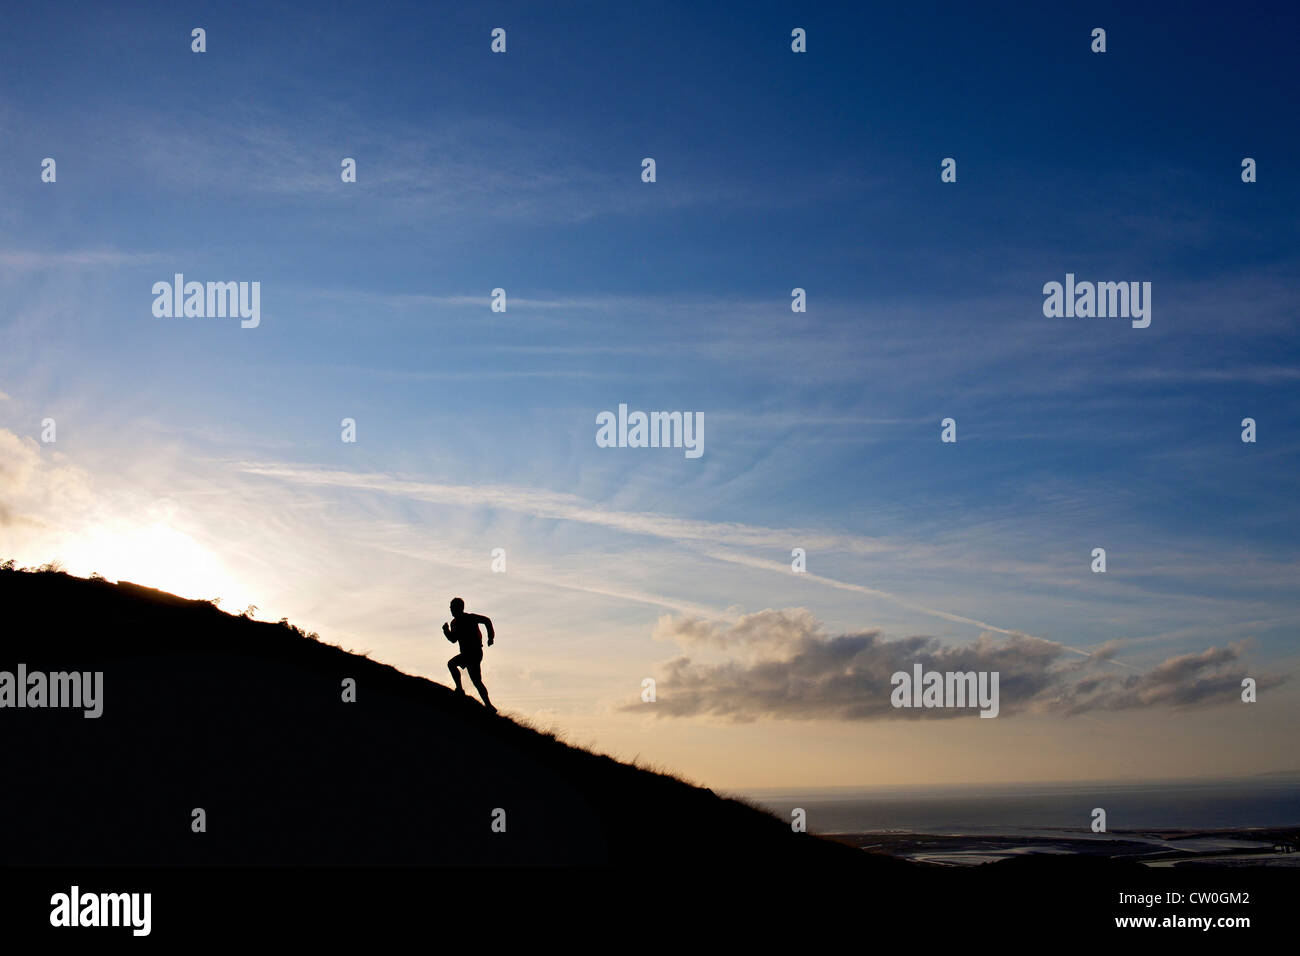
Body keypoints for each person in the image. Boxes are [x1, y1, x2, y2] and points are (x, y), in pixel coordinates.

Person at [443, 597, 496, 712]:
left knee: (475, 680)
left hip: (474, 652)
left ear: (460, 608)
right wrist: (446, 631)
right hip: (466, 653)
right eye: (451, 608)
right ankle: (462, 691)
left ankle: (488, 705)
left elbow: (487, 620)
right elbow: (453, 639)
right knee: (454, 666)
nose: (451, 610)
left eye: (453, 608)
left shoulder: (470, 618)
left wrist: (490, 637)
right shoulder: (454, 623)